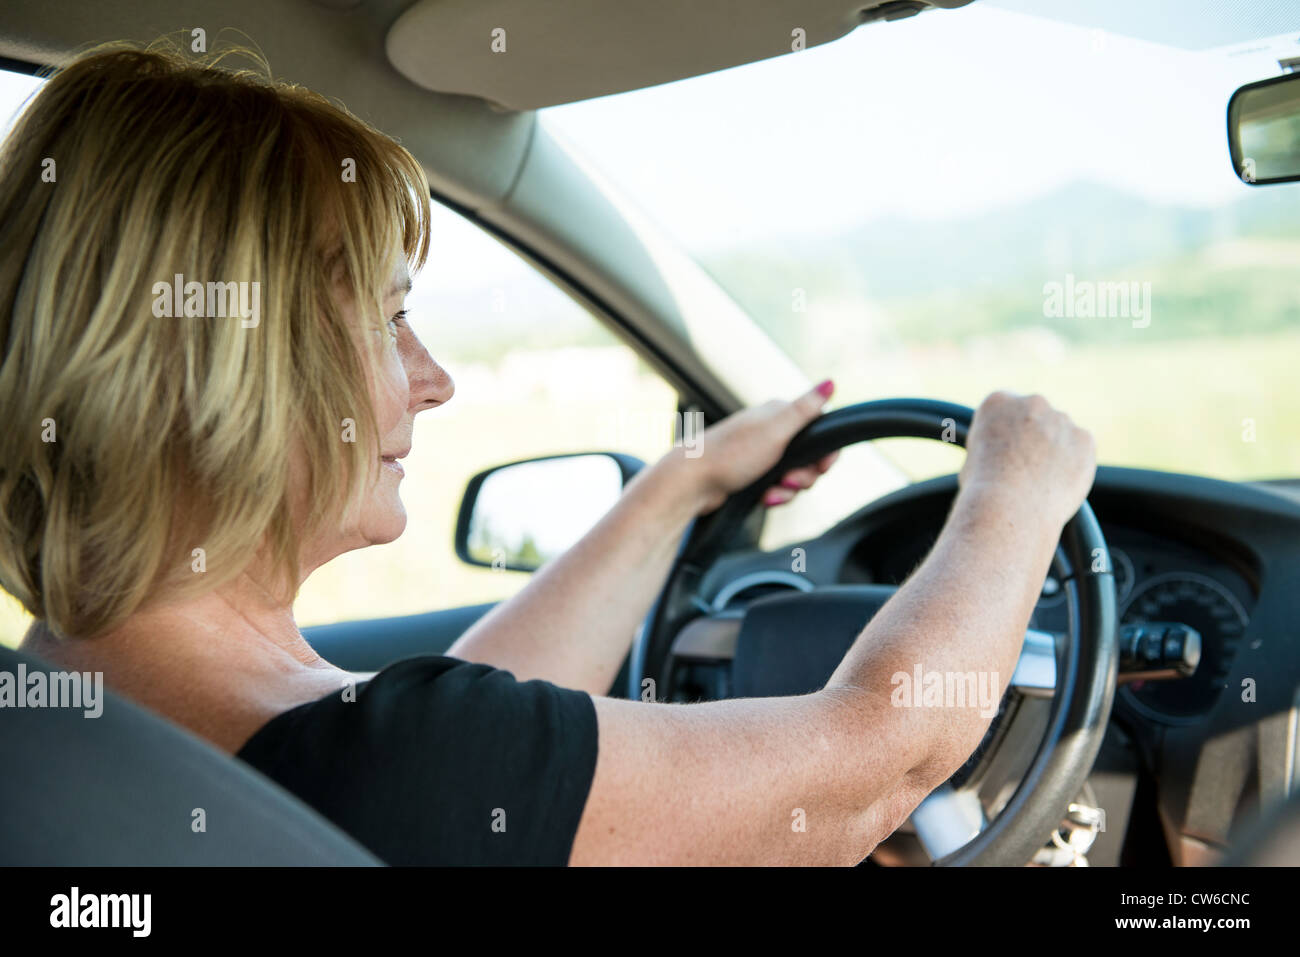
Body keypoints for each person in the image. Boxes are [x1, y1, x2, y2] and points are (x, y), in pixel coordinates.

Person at [0, 44, 1095, 866]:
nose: (433, 379)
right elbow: (878, 762)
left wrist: (675, 488)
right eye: (390, 321)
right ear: (236, 371)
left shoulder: (66, 714)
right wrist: (1016, 483)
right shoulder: (391, 763)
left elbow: (472, 748)